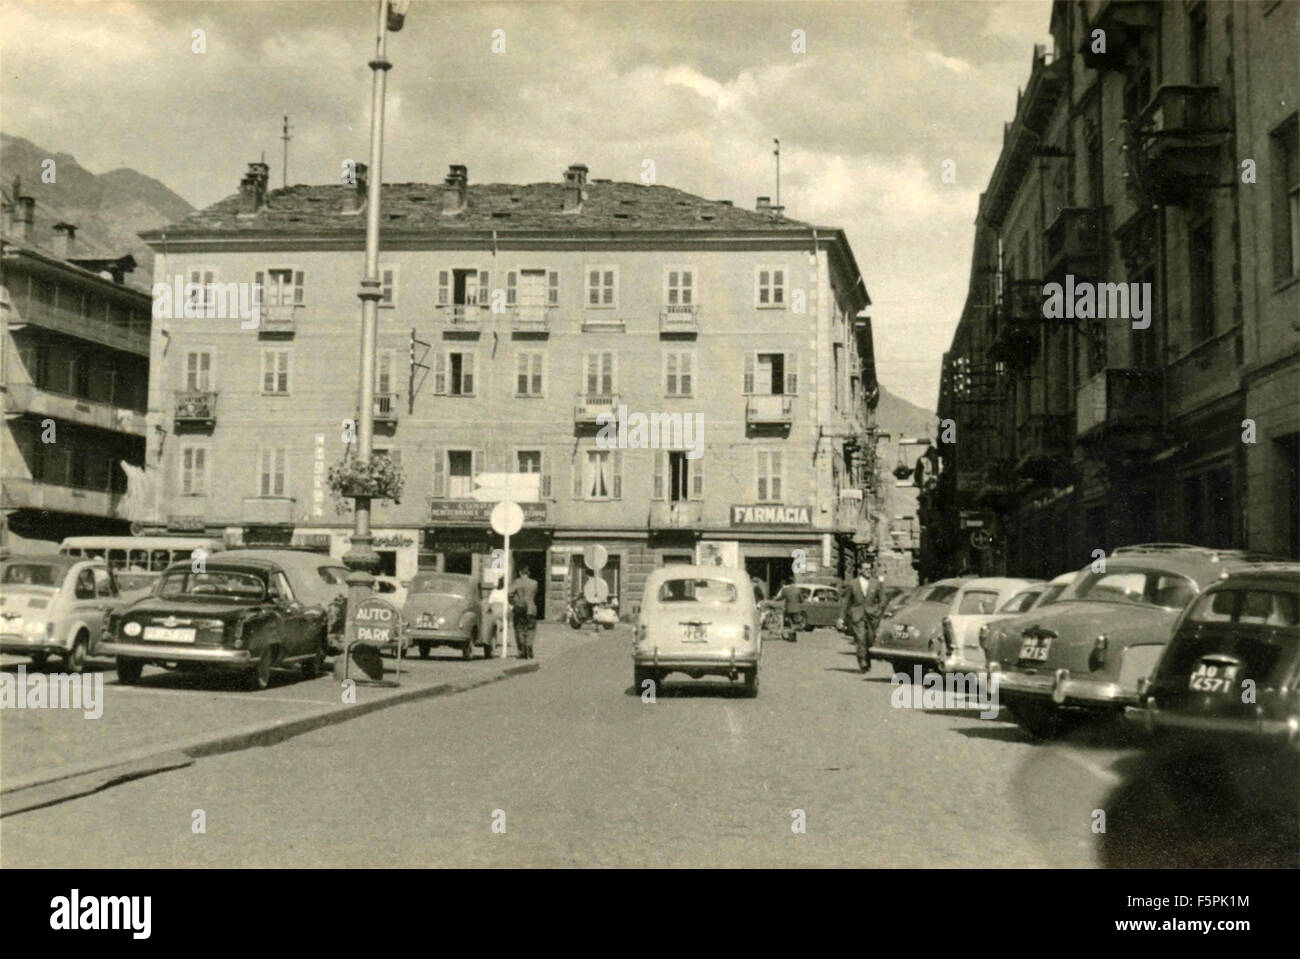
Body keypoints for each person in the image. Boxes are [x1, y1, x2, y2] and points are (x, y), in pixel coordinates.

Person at [838, 561, 886, 673]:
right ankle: (862, 661)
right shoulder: (852, 584)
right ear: (860, 570)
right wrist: (841, 617)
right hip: (857, 615)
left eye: (870, 569)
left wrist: (877, 610)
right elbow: (846, 602)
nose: (868, 571)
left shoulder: (876, 583)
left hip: (872, 616)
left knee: (870, 639)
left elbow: (883, 600)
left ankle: (867, 660)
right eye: (866, 569)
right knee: (860, 639)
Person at [509, 565, 539, 659]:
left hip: (520, 609)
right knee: (531, 629)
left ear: (520, 573)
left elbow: (509, 594)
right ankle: (529, 645)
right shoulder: (534, 583)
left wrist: (514, 603)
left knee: (520, 629)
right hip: (531, 610)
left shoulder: (517, 582)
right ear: (528, 573)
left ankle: (523, 650)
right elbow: (535, 594)